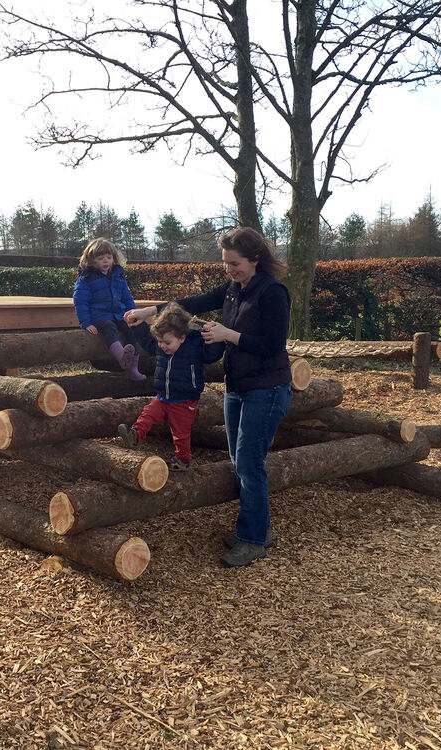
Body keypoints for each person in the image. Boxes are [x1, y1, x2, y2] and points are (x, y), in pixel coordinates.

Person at [125, 227, 292, 567]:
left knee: (248, 461)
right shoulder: (234, 289)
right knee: (238, 458)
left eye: (235, 263)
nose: (229, 269)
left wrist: (228, 334)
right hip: (238, 386)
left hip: (268, 387)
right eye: (226, 263)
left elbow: (273, 345)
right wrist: (147, 312)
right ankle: (256, 527)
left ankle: (254, 538)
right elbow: (191, 304)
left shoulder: (273, 292)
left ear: (255, 260)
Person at [117, 302, 225, 471]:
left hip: (184, 401)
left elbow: (213, 355)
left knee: (180, 432)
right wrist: (137, 326)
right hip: (163, 397)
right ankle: (135, 435)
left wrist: (217, 338)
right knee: (148, 413)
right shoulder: (161, 346)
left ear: (182, 337)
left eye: (167, 342)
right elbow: (146, 340)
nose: (162, 346)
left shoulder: (194, 347)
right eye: (160, 341)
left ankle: (182, 460)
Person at [73, 237, 145, 381]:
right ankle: (121, 356)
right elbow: (80, 302)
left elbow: (127, 297)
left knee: (131, 332)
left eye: (109, 257)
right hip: (99, 316)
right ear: (92, 260)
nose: (106, 261)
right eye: (101, 258)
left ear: (114, 258)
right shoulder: (87, 278)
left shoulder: (118, 276)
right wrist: (86, 322)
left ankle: (132, 369)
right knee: (109, 327)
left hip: (119, 314)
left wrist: (133, 313)